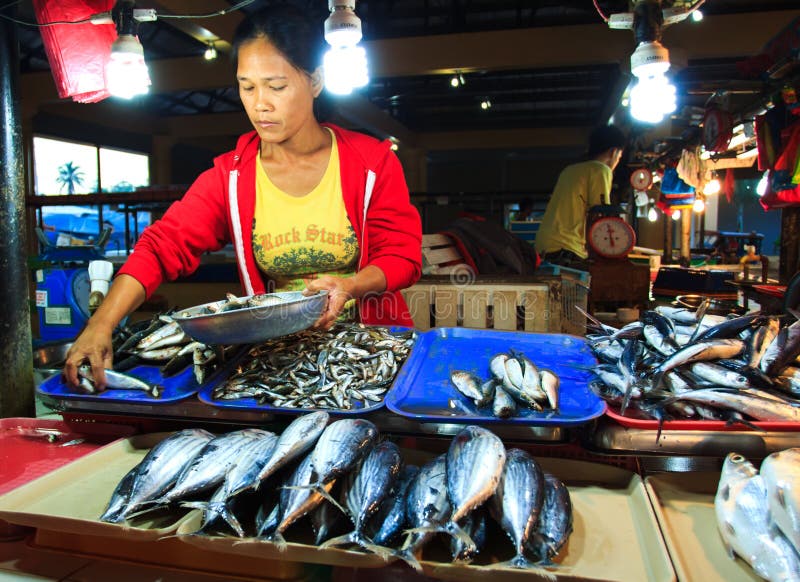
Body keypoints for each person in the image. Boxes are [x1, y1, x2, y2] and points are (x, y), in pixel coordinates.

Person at [64, 4, 422, 388]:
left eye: (277, 86)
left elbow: (402, 255)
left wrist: (350, 285)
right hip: (280, 367)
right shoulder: (231, 177)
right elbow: (161, 246)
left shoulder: (371, 163)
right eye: (247, 86)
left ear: (315, 81)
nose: (260, 103)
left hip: (372, 356)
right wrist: (100, 324)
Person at [534, 124, 626, 269]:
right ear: (613, 152)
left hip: (544, 246)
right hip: (567, 248)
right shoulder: (600, 169)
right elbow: (601, 218)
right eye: (619, 157)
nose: (617, 162)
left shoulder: (570, 170)